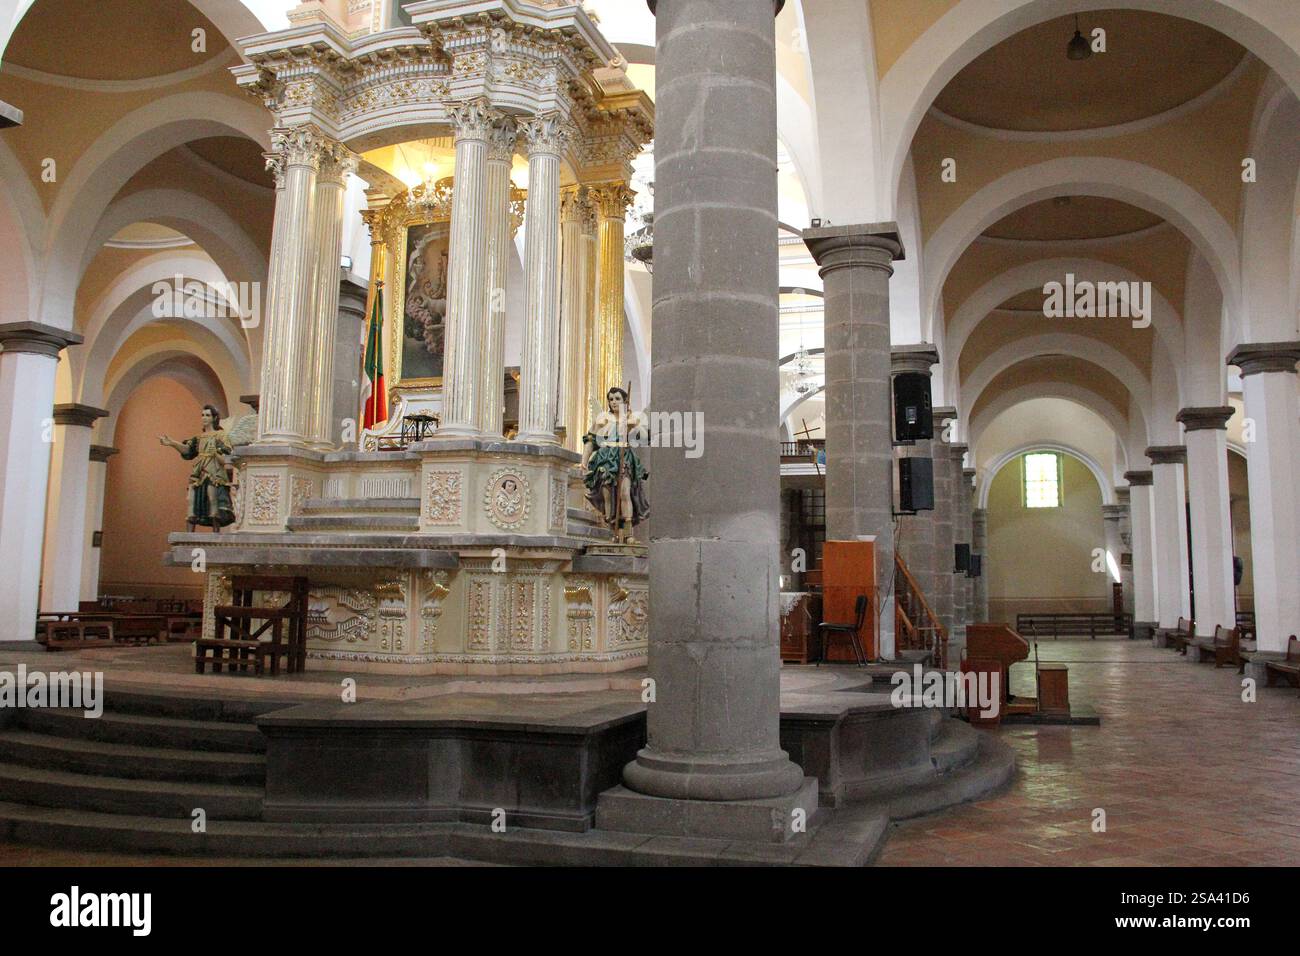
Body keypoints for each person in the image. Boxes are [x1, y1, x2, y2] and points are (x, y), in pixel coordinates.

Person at [582, 387, 650, 543]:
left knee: (625, 493)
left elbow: (643, 435)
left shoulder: (630, 418)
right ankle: (613, 533)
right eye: (611, 399)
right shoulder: (602, 419)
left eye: (617, 399)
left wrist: (630, 422)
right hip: (606, 459)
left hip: (623, 457)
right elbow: (591, 441)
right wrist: (584, 461)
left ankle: (628, 533)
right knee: (608, 497)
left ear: (625, 400)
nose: (613, 402)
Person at [159, 404, 236, 532]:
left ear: (214, 418)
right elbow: (188, 450)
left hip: (214, 472)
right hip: (198, 472)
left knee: (213, 502)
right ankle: (189, 535)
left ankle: (215, 534)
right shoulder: (198, 438)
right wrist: (172, 443)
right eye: (203, 415)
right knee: (192, 502)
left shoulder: (221, 436)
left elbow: (226, 459)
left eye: (207, 415)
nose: (204, 418)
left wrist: (215, 453)